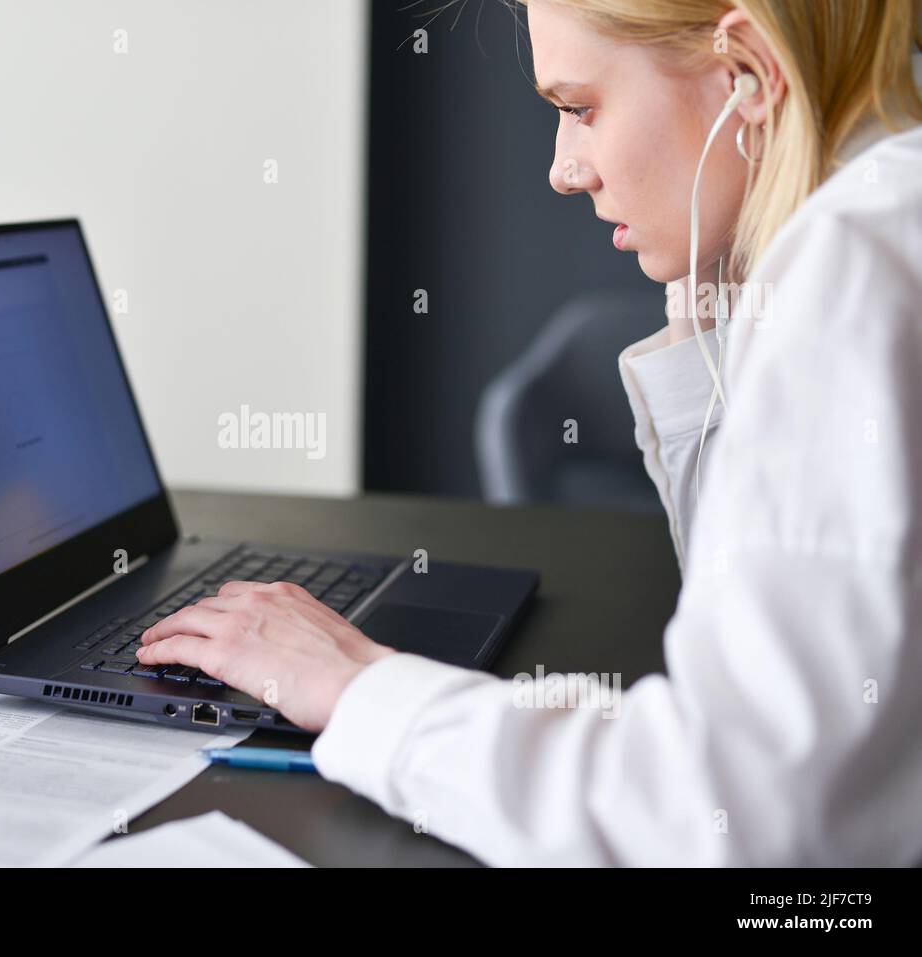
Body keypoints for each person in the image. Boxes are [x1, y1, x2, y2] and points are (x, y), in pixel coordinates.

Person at [137, 0, 922, 865]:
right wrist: (720, 266)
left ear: (748, 68)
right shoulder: (869, 222)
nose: (563, 168)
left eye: (580, 108)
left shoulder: (852, 271)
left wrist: (356, 687)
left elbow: (719, 812)